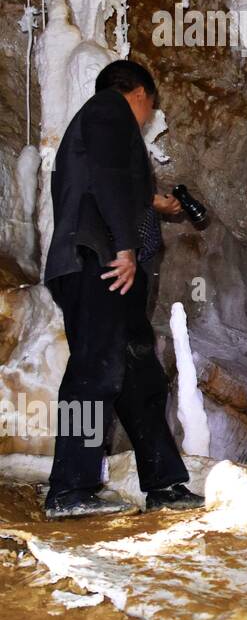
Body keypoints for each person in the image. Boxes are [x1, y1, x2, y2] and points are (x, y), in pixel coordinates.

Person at [42, 59, 203, 518]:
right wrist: (126, 250)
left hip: (106, 263)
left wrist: (153, 201)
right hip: (98, 260)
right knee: (94, 370)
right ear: (139, 94)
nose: (148, 116)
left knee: (137, 374)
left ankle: (164, 483)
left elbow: (105, 178)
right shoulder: (108, 109)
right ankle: (70, 488)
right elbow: (110, 178)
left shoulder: (99, 127)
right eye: (150, 108)